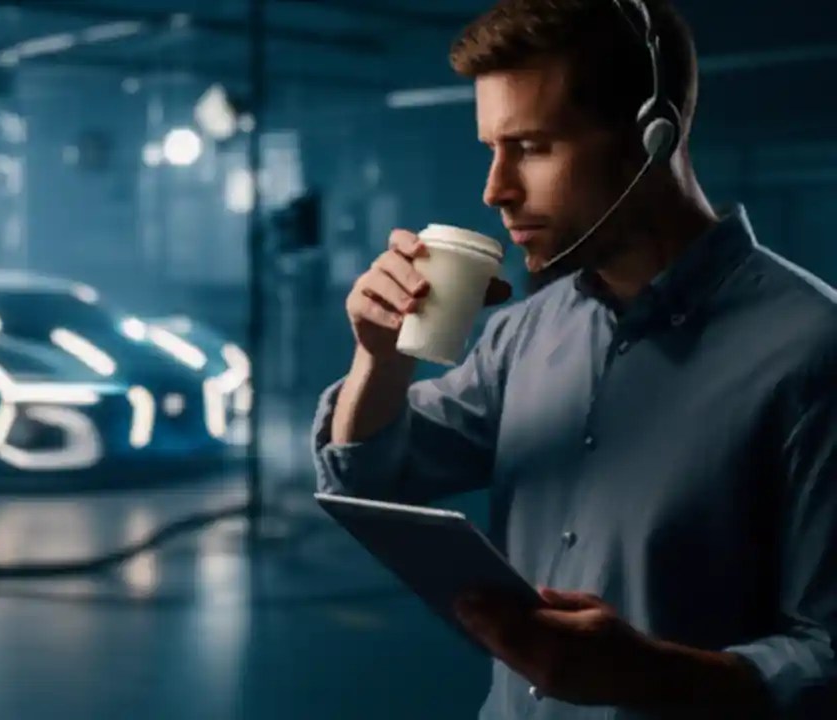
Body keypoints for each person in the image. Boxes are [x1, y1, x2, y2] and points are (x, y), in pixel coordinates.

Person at [310, 0, 837, 717]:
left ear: (652, 138)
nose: (495, 190)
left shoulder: (812, 351)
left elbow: (826, 653)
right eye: (491, 149)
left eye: (531, 147)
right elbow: (368, 473)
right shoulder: (524, 333)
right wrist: (381, 357)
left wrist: (652, 675)